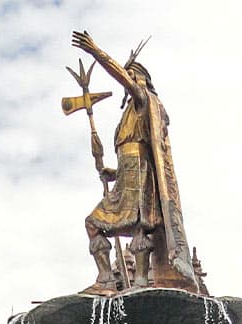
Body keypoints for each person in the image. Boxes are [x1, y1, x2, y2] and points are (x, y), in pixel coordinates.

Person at [71, 30, 199, 292]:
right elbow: (129, 154)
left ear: (140, 79)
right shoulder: (127, 115)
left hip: (142, 177)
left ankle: (140, 281)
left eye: (131, 75)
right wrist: (112, 172)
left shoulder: (144, 102)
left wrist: (97, 52)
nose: (127, 80)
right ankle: (106, 278)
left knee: (141, 225)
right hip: (126, 176)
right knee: (93, 223)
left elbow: (141, 153)